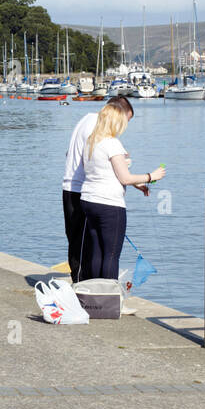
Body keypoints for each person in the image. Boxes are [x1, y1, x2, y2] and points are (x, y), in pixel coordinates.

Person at [78, 100, 166, 282]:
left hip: (89, 201)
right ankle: (108, 299)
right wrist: (151, 176)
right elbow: (124, 178)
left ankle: (95, 295)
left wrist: (137, 184)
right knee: (111, 255)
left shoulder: (91, 142)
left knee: (97, 250)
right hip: (110, 205)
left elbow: (107, 172)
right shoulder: (112, 144)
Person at [62, 97, 134, 283]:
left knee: (83, 243)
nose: (124, 126)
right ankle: (88, 292)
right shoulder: (97, 127)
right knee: (90, 248)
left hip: (74, 187)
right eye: (126, 119)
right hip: (85, 191)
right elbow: (101, 163)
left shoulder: (86, 119)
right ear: (116, 113)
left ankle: (87, 291)